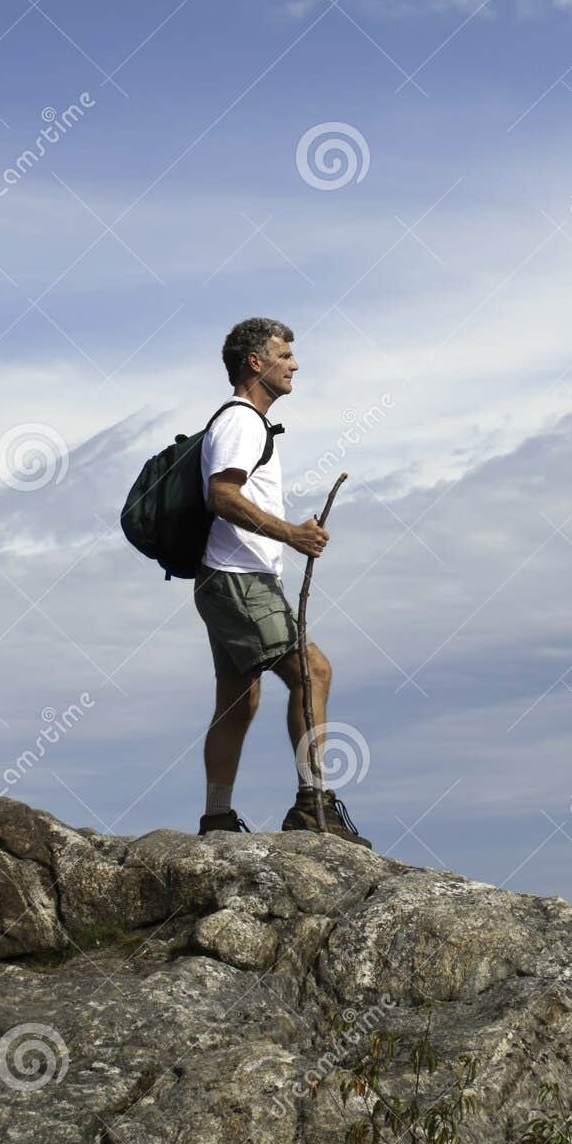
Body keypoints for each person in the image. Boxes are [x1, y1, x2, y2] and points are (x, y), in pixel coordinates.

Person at [193, 317, 371, 846]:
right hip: (239, 579)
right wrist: (290, 534)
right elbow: (221, 496)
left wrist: (286, 536)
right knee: (313, 670)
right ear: (256, 362)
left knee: (239, 700)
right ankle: (314, 803)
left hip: (226, 579)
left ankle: (217, 819)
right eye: (285, 355)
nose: (294, 365)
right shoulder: (242, 421)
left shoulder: (246, 423)